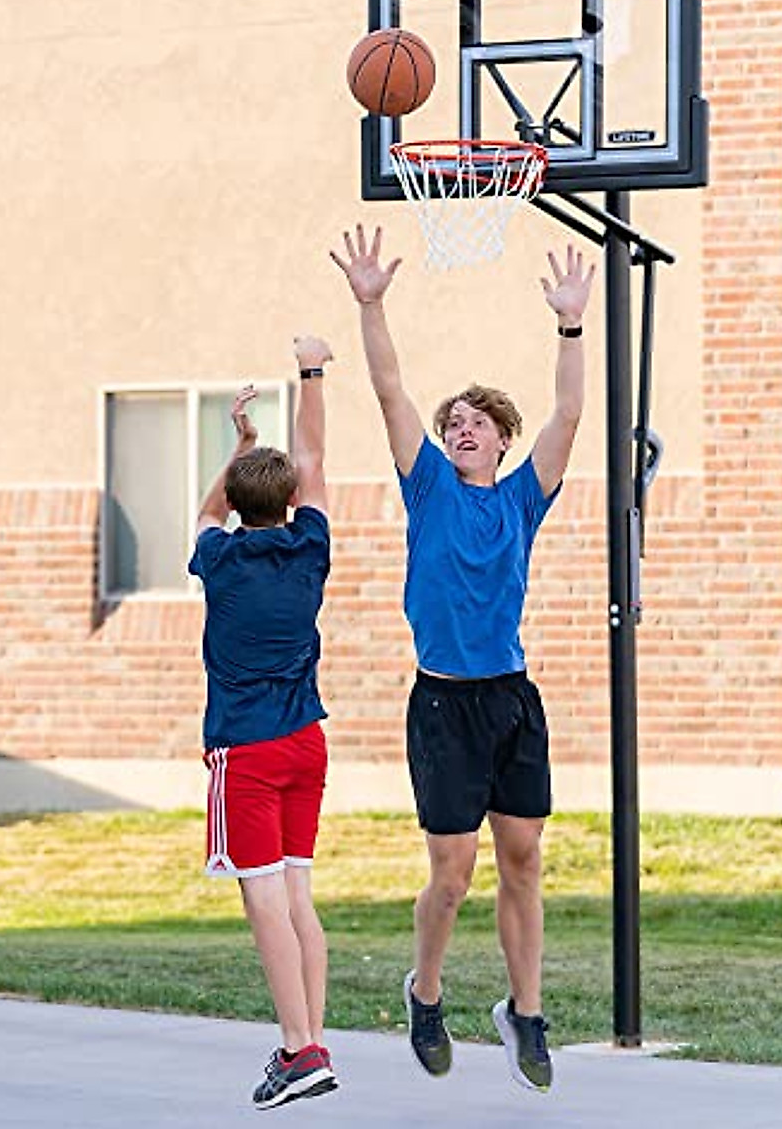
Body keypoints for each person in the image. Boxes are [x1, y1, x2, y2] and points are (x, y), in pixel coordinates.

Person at [329, 224, 594, 1094]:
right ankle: (428, 992)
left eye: (475, 422)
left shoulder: (522, 498)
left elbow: (568, 416)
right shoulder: (429, 486)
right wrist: (372, 304)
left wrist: (570, 326)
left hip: (511, 700)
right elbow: (390, 387)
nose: (459, 428)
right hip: (443, 705)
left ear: (501, 440)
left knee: (523, 857)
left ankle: (524, 1013)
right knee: (453, 874)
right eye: (453, 423)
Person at [188, 335, 337, 1111]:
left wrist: (239, 443)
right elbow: (311, 455)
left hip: (244, 753)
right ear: (288, 502)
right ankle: (310, 1042)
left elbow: (209, 510)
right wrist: (311, 373)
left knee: (264, 901)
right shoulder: (310, 548)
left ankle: (298, 1046)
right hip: (306, 744)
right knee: (299, 895)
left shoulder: (219, 557)